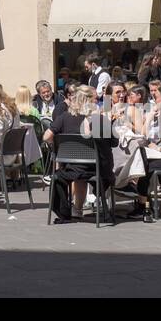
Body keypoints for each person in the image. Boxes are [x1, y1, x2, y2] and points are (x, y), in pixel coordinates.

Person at [45, 85, 114, 221]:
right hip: (97, 168)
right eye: (95, 99)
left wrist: (58, 146)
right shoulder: (99, 119)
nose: (98, 102)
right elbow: (114, 143)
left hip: (72, 166)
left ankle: (76, 210)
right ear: (88, 100)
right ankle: (79, 209)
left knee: (78, 169)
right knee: (88, 165)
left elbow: (46, 136)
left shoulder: (64, 117)